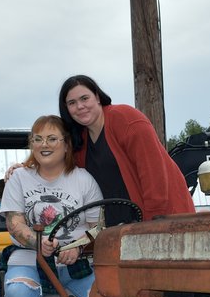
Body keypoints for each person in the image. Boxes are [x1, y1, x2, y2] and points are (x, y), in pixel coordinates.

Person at [0, 115, 102, 297]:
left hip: (76, 264)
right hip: (28, 260)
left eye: (52, 138)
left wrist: (78, 246)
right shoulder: (19, 178)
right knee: (18, 294)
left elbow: (98, 227)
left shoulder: (84, 179)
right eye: (38, 139)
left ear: (66, 145)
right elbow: (14, 223)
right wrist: (37, 242)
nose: (44, 145)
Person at [58, 74, 195, 223]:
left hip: (160, 220)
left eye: (85, 98)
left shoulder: (124, 118)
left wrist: (154, 219)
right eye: (72, 103)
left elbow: (152, 170)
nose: (80, 106)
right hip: (117, 228)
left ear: (97, 97)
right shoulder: (79, 140)